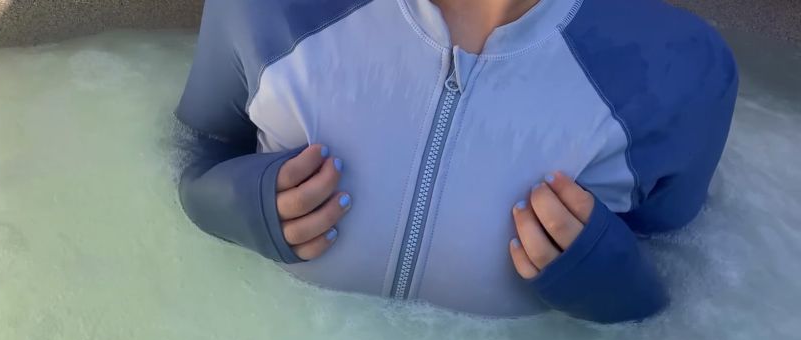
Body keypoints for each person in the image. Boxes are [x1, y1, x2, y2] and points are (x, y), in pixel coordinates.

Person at [173, 0, 739, 323]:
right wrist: (227, 204)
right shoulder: (266, 7)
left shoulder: (683, 71)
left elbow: (691, 268)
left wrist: (618, 287)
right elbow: (195, 145)